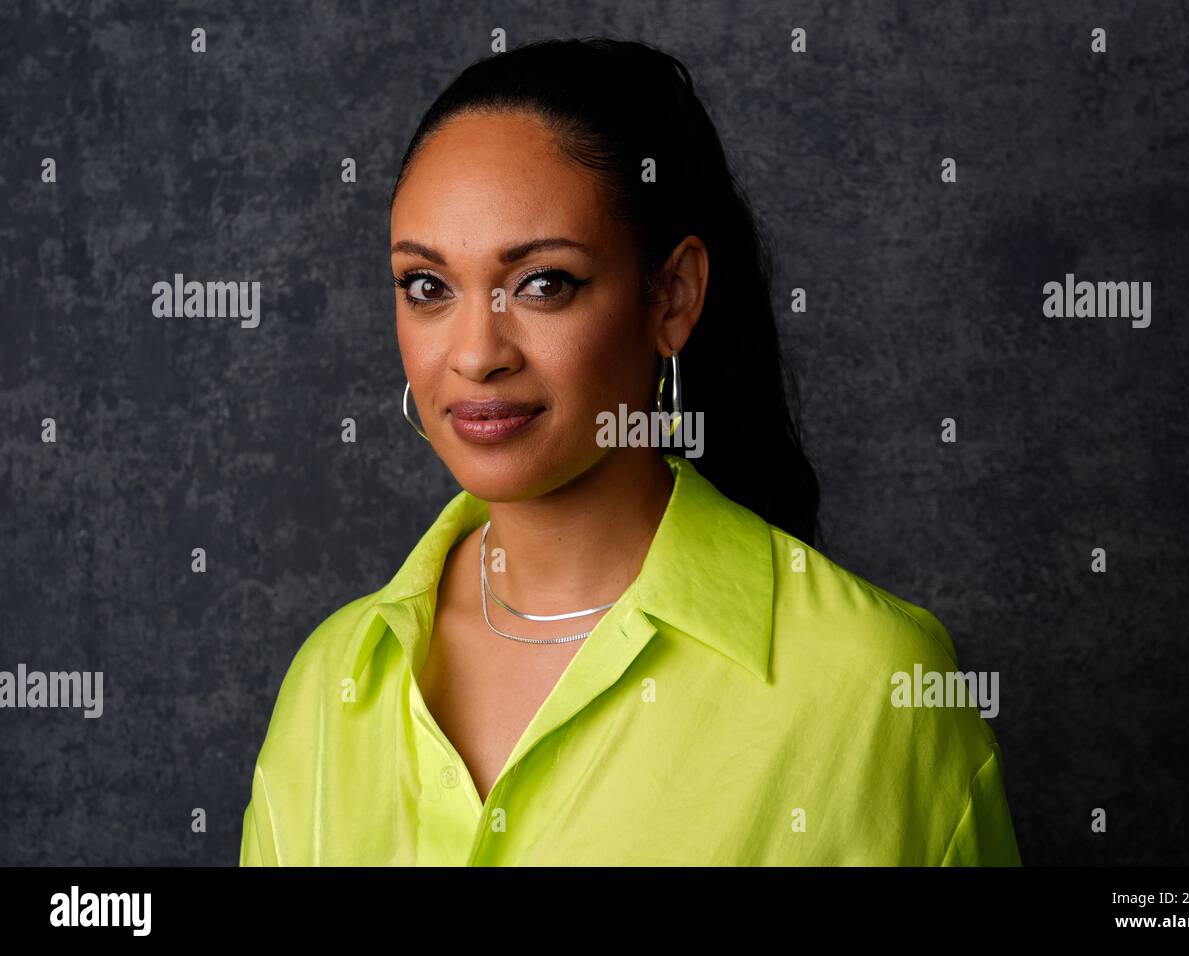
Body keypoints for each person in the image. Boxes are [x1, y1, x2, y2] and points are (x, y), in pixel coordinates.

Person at [238, 37, 1021, 866]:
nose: (474, 354)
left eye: (545, 283)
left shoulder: (872, 688)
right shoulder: (332, 681)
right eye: (426, 287)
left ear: (672, 296)